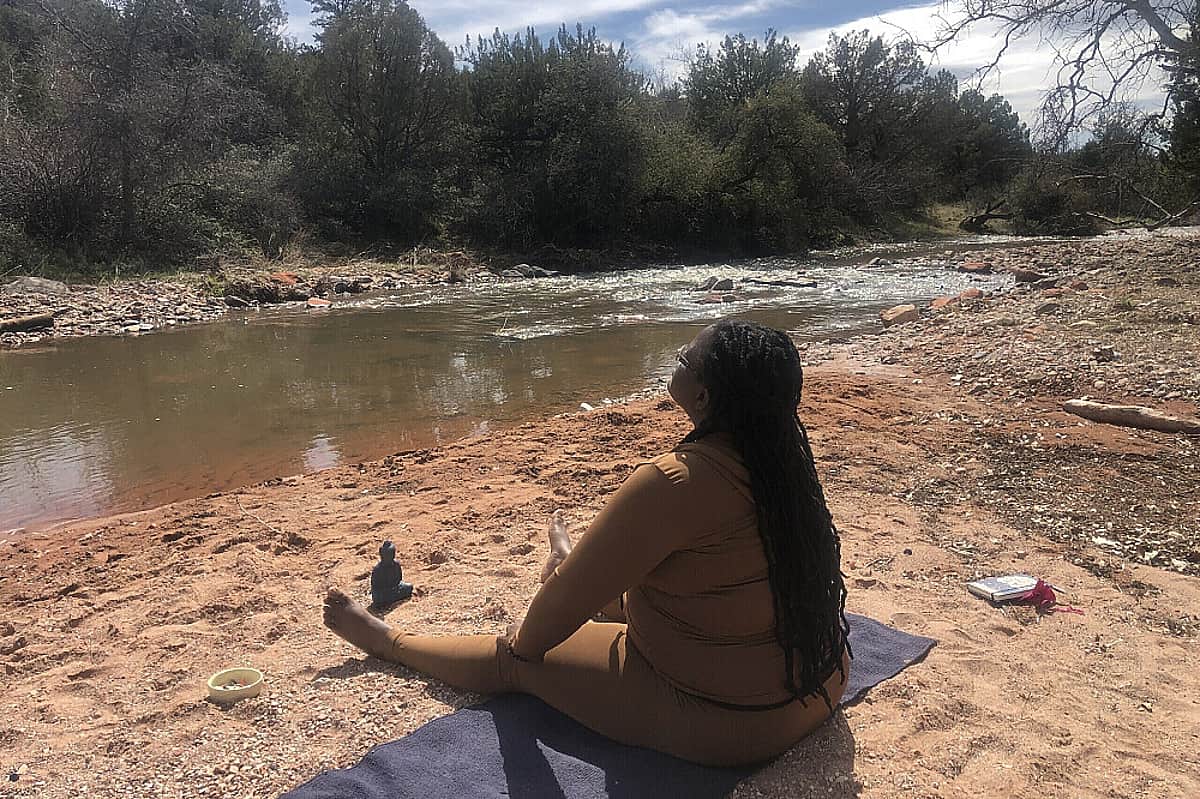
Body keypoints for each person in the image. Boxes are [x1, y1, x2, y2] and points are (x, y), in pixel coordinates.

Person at [323, 319, 851, 767]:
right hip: (820, 685)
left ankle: (388, 642)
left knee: (514, 656)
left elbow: (535, 638)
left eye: (684, 357)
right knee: (640, 586)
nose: (678, 355)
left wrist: (551, 603)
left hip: (730, 722)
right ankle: (574, 565)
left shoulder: (673, 482)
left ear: (703, 397)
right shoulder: (784, 464)